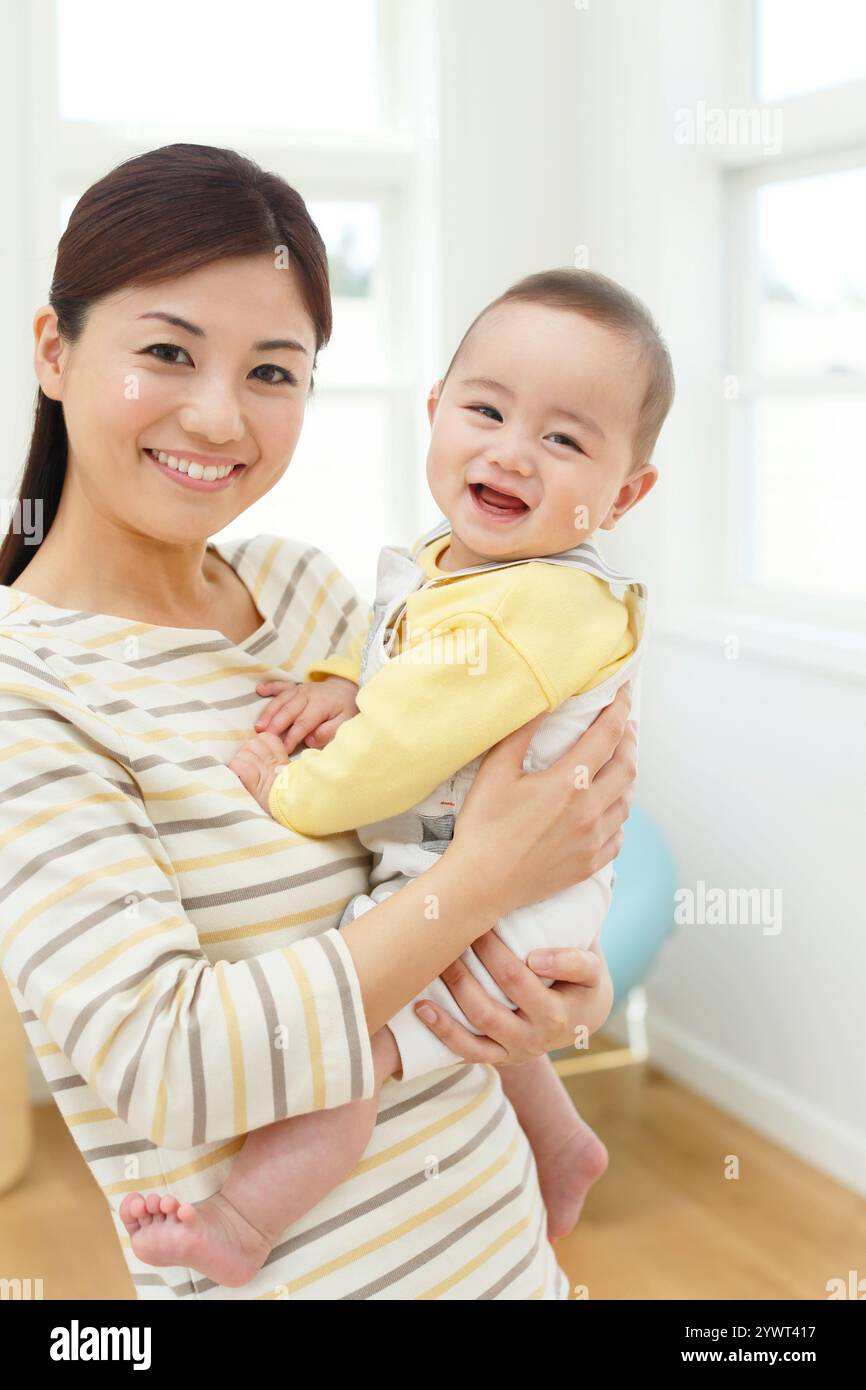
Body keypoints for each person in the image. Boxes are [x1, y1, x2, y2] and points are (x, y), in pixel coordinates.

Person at [0, 143, 636, 1301]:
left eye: (272, 371)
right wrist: (488, 878)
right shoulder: (25, 682)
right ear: (55, 348)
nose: (217, 415)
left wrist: (556, 992)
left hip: (507, 1259)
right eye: (165, 352)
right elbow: (172, 1066)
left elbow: (466, 836)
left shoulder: (307, 593)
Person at [119, 268, 671, 1287]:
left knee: (346, 1048)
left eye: (563, 439)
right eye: (485, 409)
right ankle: (562, 1142)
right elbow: (399, 660)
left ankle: (242, 1221)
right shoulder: (451, 561)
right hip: (482, 864)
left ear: (624, 491)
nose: (511, 449)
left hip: (521, 888)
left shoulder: (541, 603)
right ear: (434, 412)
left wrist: (290, 790)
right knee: (454, 996)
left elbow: (406, 742)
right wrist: (338, 680)